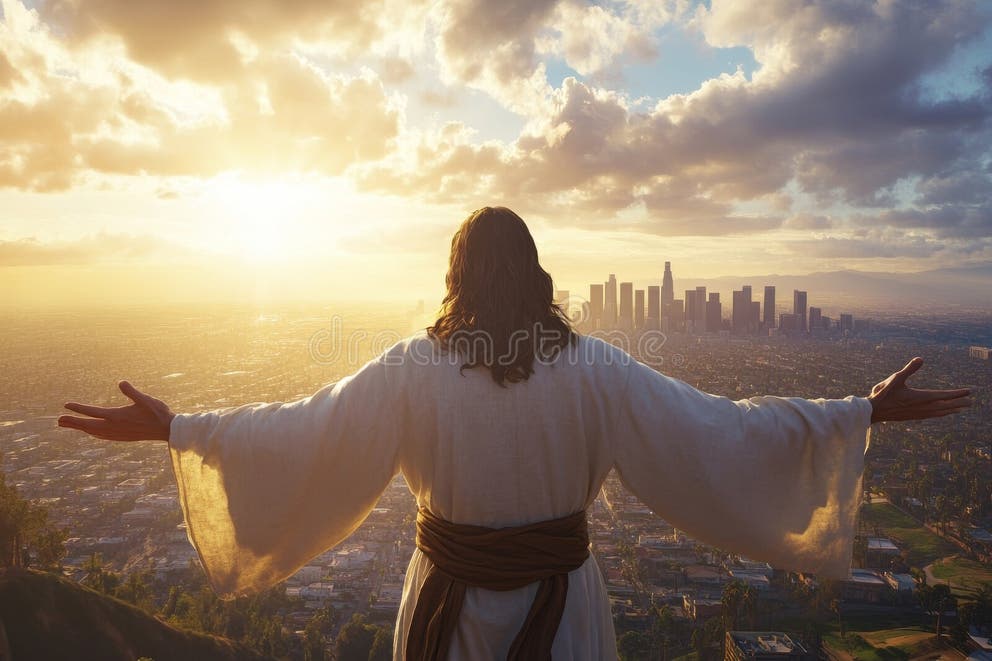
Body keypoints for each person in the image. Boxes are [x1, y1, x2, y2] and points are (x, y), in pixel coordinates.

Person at [58, 206, 971, 660]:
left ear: (454, 274)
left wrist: (181, 428)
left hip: (443, 612)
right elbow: (721, 434)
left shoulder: (412, 367)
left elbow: (304, 435)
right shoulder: (596, 368)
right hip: (565, 611)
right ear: (535, 273)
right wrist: (858, 412)